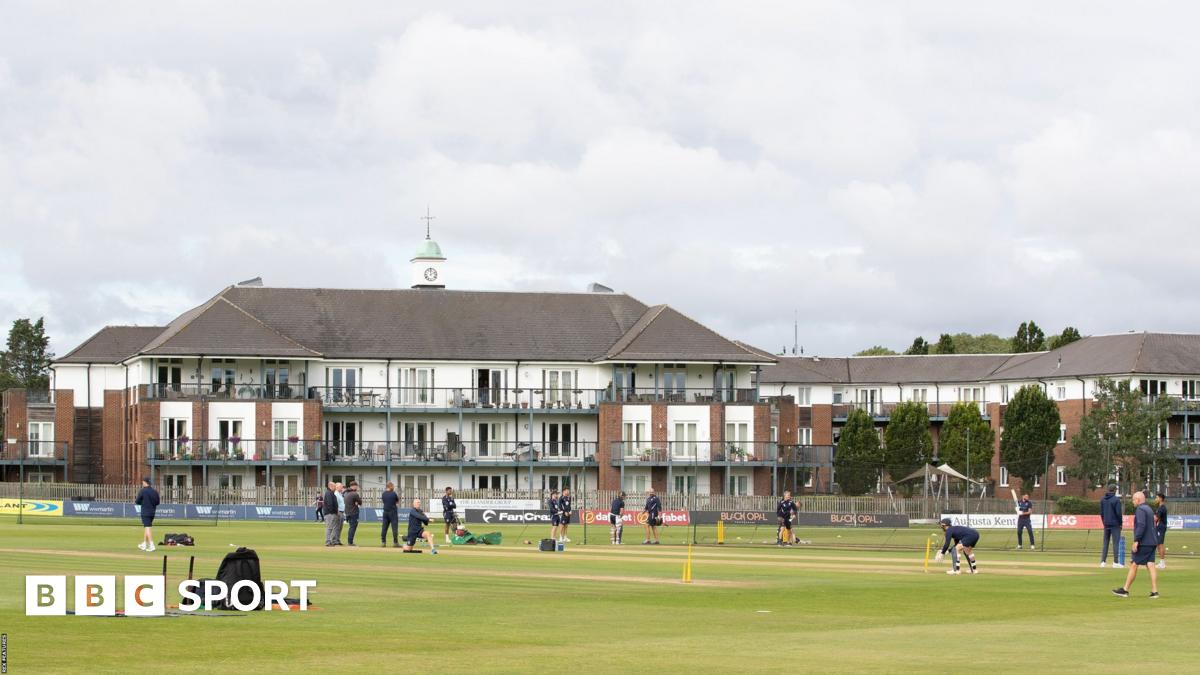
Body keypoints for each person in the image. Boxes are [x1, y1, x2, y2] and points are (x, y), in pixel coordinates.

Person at [1112, 491, 1159, 598]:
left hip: (1144, 542)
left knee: (1134, 564)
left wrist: (1137, 540)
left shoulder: (1140, 509)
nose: (1132, 501)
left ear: (1138, 500)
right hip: (1152, 541)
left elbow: (1141, 525)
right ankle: (1155, 591)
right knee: (1151, 565)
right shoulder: (1149, 509)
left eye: (1133, 499)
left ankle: (1125, 590)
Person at [1099, 485, 1123, 568]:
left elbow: (1101, 513)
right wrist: (1120, 523)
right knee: (1116, 543)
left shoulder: (1103, 499)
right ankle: (1115, 562)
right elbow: (1118, 513)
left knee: (1105, 542)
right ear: (1115, 490)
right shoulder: (1116, 500)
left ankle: (1103, 562)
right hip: (1115, 524)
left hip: (1106, 523)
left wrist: (1104, 522)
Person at [135, 477, 160, 552]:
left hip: (145, 511)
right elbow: (157, 502)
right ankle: (144, 544)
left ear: (145, 482)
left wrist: (144, 503)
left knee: (147, 527)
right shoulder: (154, 491)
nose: (142, 483)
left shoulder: (143, 491)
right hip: (152, 512)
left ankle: (151, 545)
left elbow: (137, 501)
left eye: (143, 482)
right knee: (147, 527)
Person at [381, 482, 400, 547]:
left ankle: (383, 542)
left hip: (385, 512)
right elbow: (397, 501)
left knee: (384, 527)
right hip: (393, 512)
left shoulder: (383, 494)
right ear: (391, 486)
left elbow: (383, 501)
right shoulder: (393, 493)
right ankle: (395, 542)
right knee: (394, 528)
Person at [343, 481, 362, 546]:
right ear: (354, 486)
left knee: (351, 527)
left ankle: (349, 541)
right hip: (354, 512)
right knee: (353, 527)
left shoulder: (345, 493)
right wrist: (356, 502)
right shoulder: (354, 494)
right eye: (356, 486)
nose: (357, 487)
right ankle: (350, 542)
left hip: (347, 512)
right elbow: (360, 502)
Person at [322, 481, 339, 547]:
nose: (335, 488)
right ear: (330, 486)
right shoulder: (329, 493)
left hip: (331, 513)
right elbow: (330, 504)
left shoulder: (331, 493)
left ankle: (330, 541)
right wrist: (332, 512)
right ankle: (328, 542)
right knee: (329, 528)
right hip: (330, 513)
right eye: (334, 486)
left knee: (331, 527)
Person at [1154, 493, 1168, 569]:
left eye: (1156, 497)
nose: (1155, 499)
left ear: (1161, 499)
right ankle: (1161, 562)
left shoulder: (1162, 508)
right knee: (1158, 544)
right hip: (1159, 527)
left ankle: (1162, 563)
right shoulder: (1159, 507)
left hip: (1161, 527)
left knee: (1160, 544)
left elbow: (1156, 518)